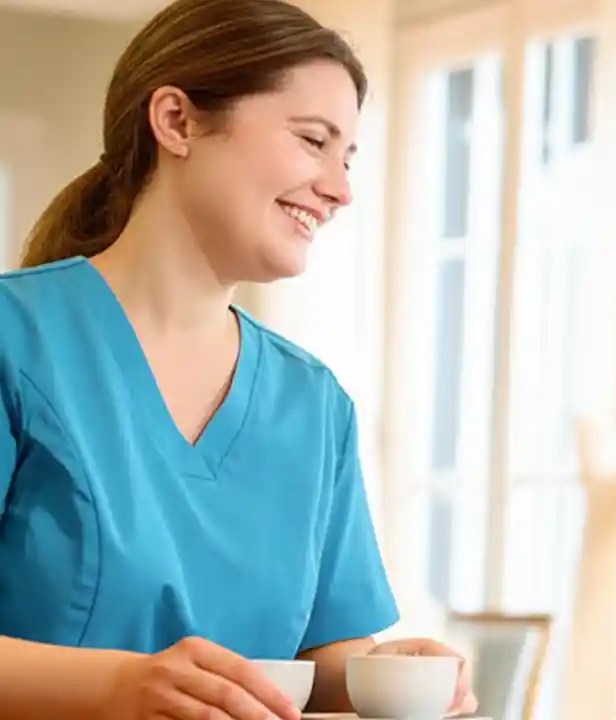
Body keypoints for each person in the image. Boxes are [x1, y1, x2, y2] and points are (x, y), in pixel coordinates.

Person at [0, 1, 476, 718]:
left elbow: (324, 655)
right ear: (177, 122)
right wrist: (119, 689)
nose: (341, 190)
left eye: (347, 159)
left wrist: (384, 671)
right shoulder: (17, 339)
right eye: (313, 141)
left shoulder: (312, 403)